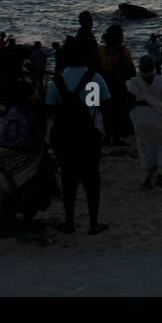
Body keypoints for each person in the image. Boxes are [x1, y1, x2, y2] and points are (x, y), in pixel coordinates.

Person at [0, 51, 57, 224]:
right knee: (31, 177)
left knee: (6, 178)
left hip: (0, 142)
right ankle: (27, 215)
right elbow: (39, 111)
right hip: (25, 143)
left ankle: (8, 213)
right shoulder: (25, 89)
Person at [45, 37, 108, 235]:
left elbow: (49, 110)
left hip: (66, 137)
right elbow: (101, 106)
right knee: (92, 180)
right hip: (89, 135)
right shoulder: (95, 79)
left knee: (68, 180)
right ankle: (93, 223)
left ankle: (69, 222)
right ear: (86, 56)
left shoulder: (57, 82)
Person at [126, 55, 162, 191]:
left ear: (140, 67)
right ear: (154, 67)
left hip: (141, 116)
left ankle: (148, 178)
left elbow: (129, 102)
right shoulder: (160, 81)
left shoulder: (133, 83)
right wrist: (161, 108)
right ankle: (160, 176)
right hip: (158, 115)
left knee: (145, 145)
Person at [97, 24, 135, 143]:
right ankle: (116, 137)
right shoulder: (124, 52)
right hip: (120, 85)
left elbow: (97, 69)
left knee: (107, 111)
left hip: (105, 84)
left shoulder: (100, 51)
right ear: (119, 37)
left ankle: (108, 135)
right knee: (119, 110)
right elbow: (132, 71)